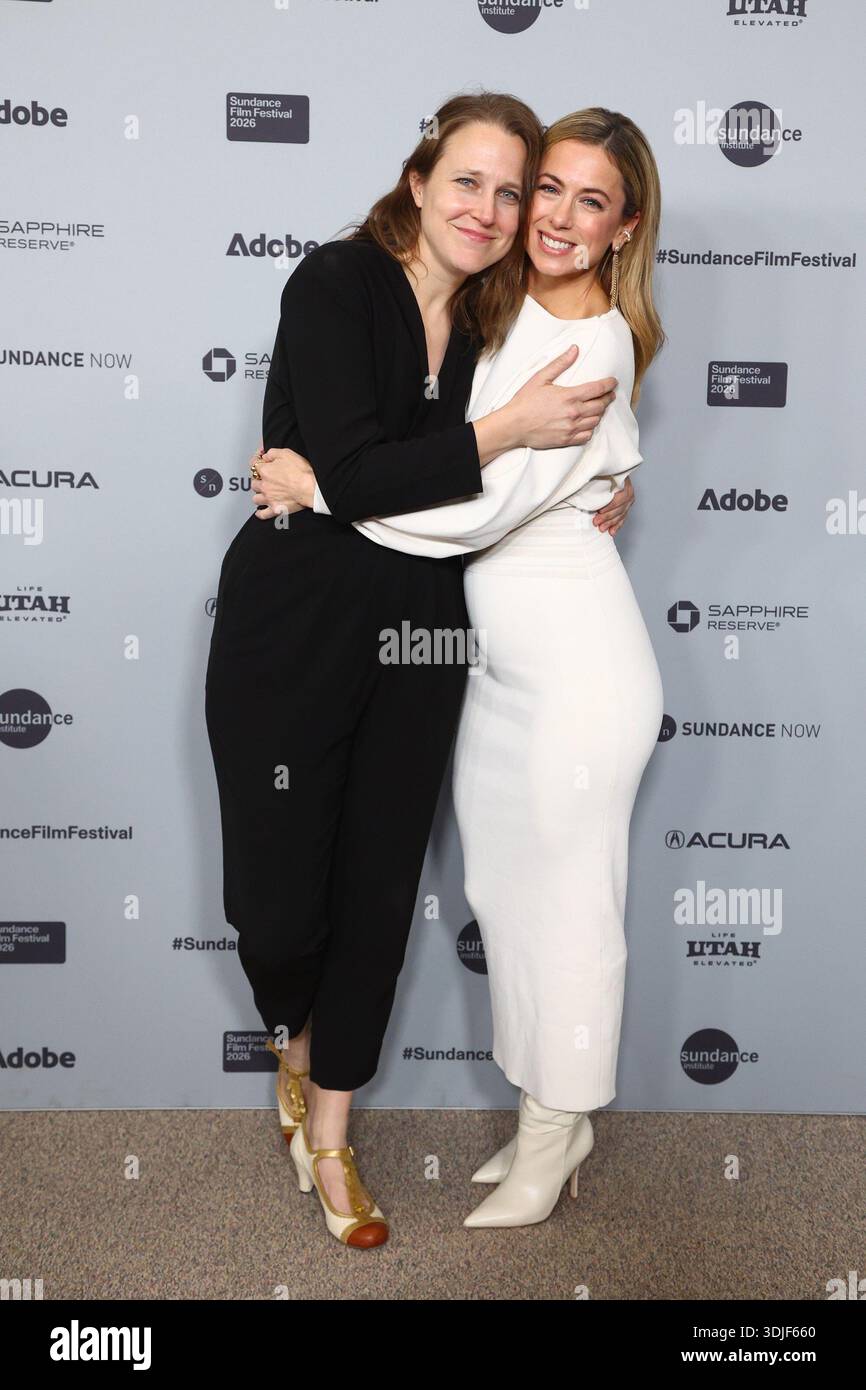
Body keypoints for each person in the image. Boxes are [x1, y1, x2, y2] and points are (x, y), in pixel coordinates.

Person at [204, 91, 623, 1248]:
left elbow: (515, 472)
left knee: (380, 885)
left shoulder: (500, 320)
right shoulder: (333, 284)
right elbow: (354, 466)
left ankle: (330, 1135)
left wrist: (595, 476)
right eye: (468, 183)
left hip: (423, 628)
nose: (490, 211)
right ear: (417, 178)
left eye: (511, 189)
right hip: (292, 621)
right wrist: (498, 435)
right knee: (278, 904)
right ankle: (293, 1038)